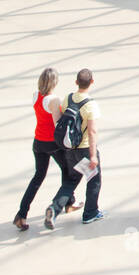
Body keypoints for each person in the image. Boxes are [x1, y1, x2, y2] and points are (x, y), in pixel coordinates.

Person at [44, 68, 103, 227]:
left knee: (71, 181)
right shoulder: (90, 105)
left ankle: (54, 208)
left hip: (70, 150)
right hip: (84, 150)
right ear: (92, 82)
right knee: (94, 180)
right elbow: (91, 131)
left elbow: (61, 118)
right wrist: (93, 156)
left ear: (76, 82)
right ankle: (90, 213)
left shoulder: (68, 98)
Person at [13, 67, 66, 231]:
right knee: (69, 171)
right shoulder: (53, 99)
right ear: (54, 82)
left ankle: (21, 214)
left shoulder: (36, 96)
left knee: (38, 177)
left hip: (38, 142)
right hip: (52, 143)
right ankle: (64, 204)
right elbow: (58, 124)